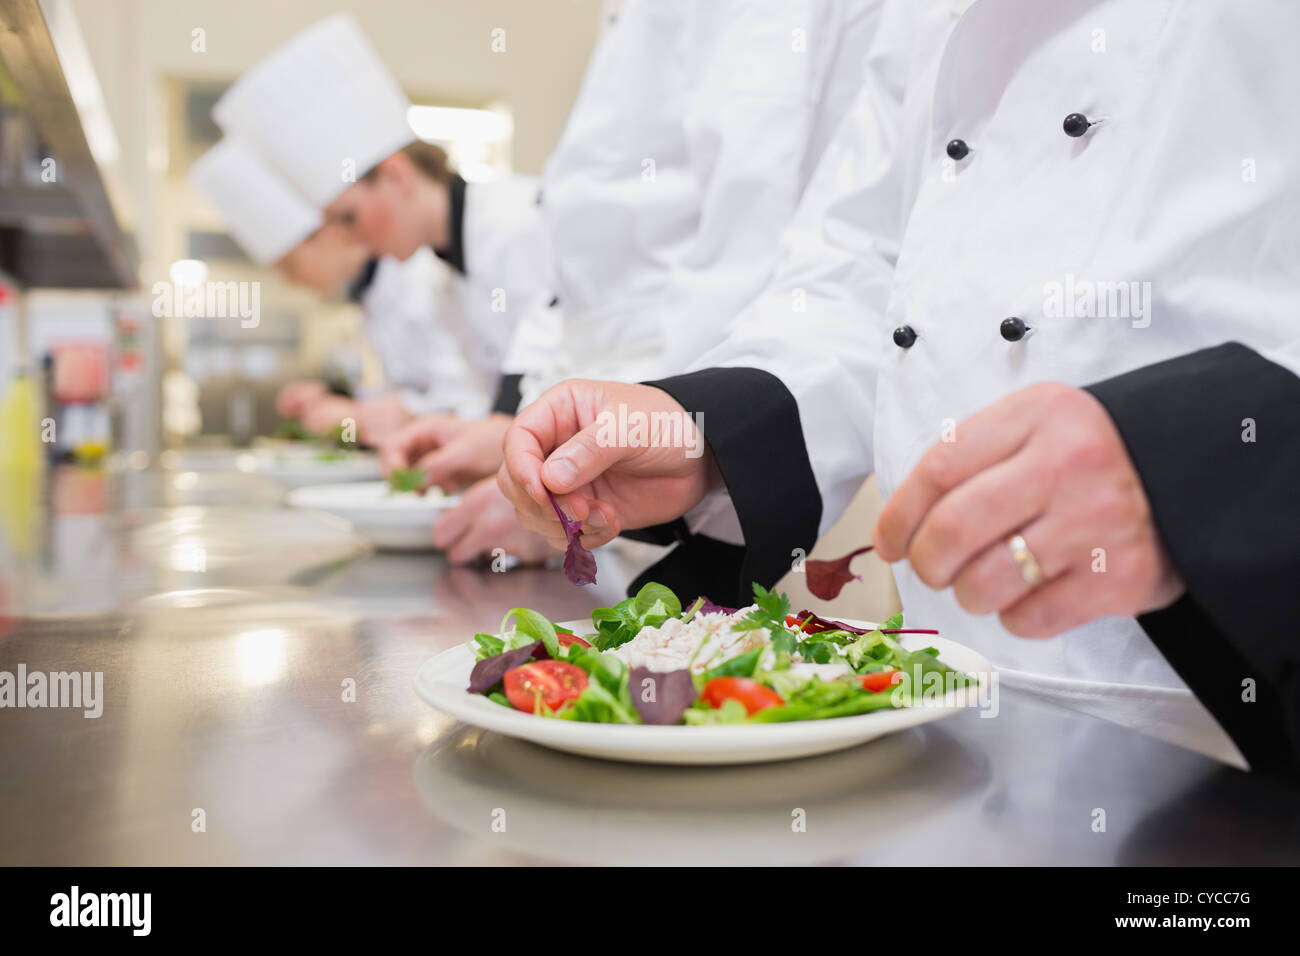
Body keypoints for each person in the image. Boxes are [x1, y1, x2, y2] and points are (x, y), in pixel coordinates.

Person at [498, 0, 1300, 775]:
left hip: (1226, 698)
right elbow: (861, 262)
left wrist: (1200, 465)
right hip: (943, 690)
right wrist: (706, 429)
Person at [375, 0, 893, 563]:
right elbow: (572, 285)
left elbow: (745, 262)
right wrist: (521, 437)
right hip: (631, 466)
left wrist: (664, 440)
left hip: (679, 470)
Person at [190, 137, 486, 444]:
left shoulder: (424, 272)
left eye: (288, 266)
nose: (290, 281)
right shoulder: (371, 295)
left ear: (323, 234)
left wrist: (358, 416)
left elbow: (471, 400)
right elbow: (403, 392)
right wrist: (338, 399)